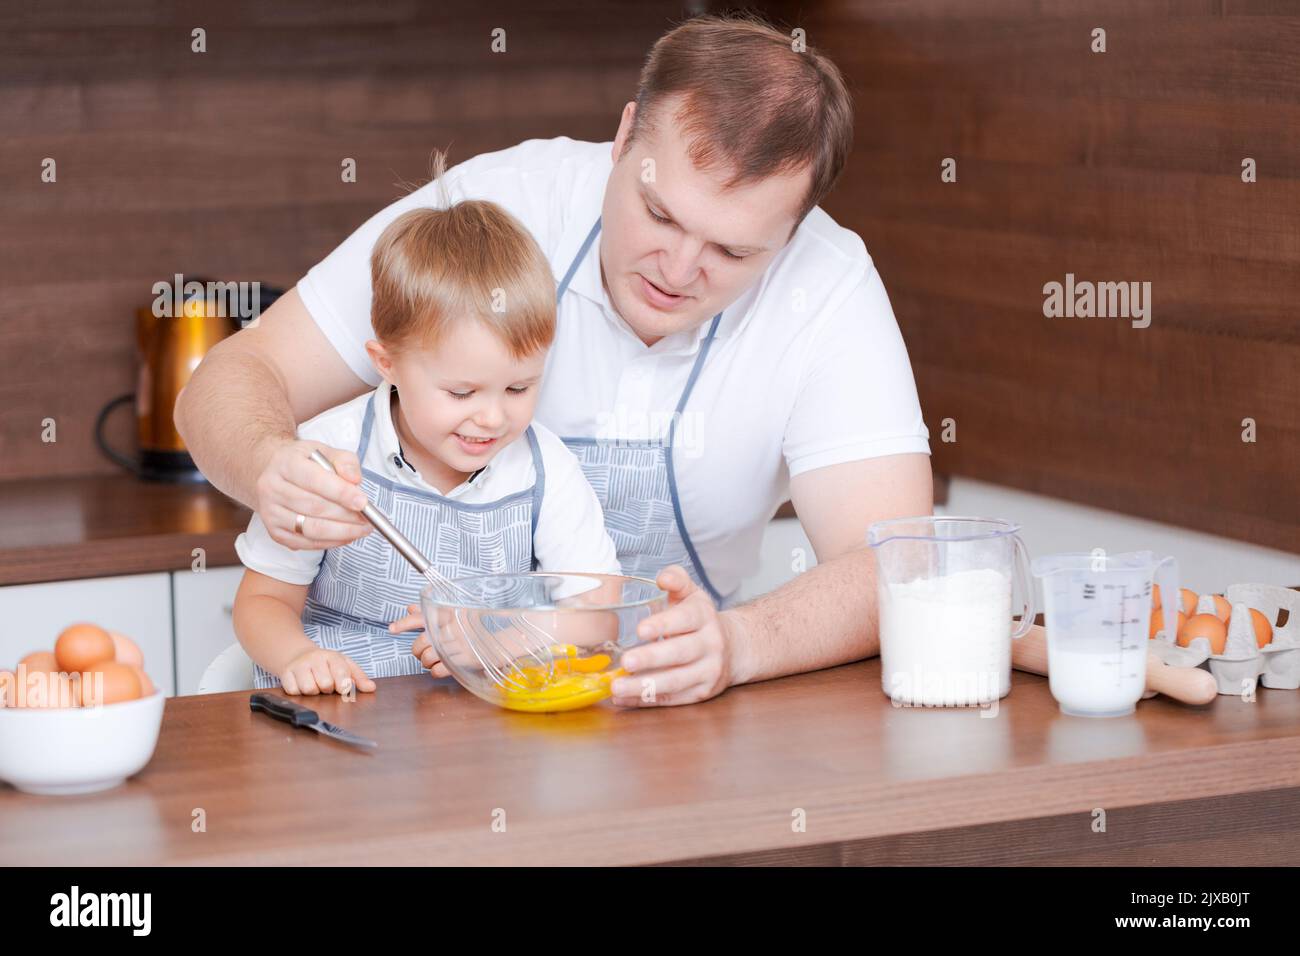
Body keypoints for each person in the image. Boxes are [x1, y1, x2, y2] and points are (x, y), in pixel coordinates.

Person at [177, 13, 938, 707]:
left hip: (658, 708)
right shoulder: (497, 210)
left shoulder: (829, 289)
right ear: (627, 134)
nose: (677, 267)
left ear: (794, 231)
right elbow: (230, 380)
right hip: (395, 700)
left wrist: (737, 645)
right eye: (660, 213)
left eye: (732, 250)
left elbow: (896, 564)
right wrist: (269, 462)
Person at [230, 163, 619, 695]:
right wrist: (301, 657)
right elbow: (263, 602)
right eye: (461, 393)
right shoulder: (326, 459)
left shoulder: (545, 469)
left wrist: (500, 642)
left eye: (519, 388)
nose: (492, 417)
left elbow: (599, 617)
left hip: (475, 738)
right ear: (386, 363)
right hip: (336, 719)